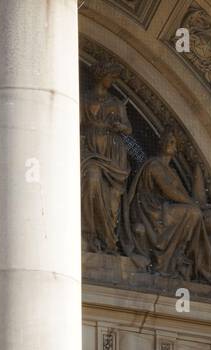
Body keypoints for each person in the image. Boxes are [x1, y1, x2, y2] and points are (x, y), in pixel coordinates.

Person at [125, 130, 211, 286]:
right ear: (160, 143)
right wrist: (196, 206)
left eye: (173, 142)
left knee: (194, 214)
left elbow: (185, 196)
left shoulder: (172, 171)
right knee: (192, 213)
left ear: (176, 149)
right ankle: (196, 264)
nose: (170, 143)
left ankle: (202, 265)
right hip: (150, 212)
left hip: (163, 211)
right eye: (167, 140)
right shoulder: (154, 164)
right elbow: (170, 191)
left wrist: (202, 203)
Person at [80, 61, 132, 254]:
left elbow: (128, 128)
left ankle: (108, 240)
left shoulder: (117, 104)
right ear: (101, 75)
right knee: (92, 180)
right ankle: (88, 235)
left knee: (112, 200)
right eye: (111, 76)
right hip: (90, 152)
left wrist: (120, 127)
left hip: (114, 155)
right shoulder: (84, 99)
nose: (112, 81)